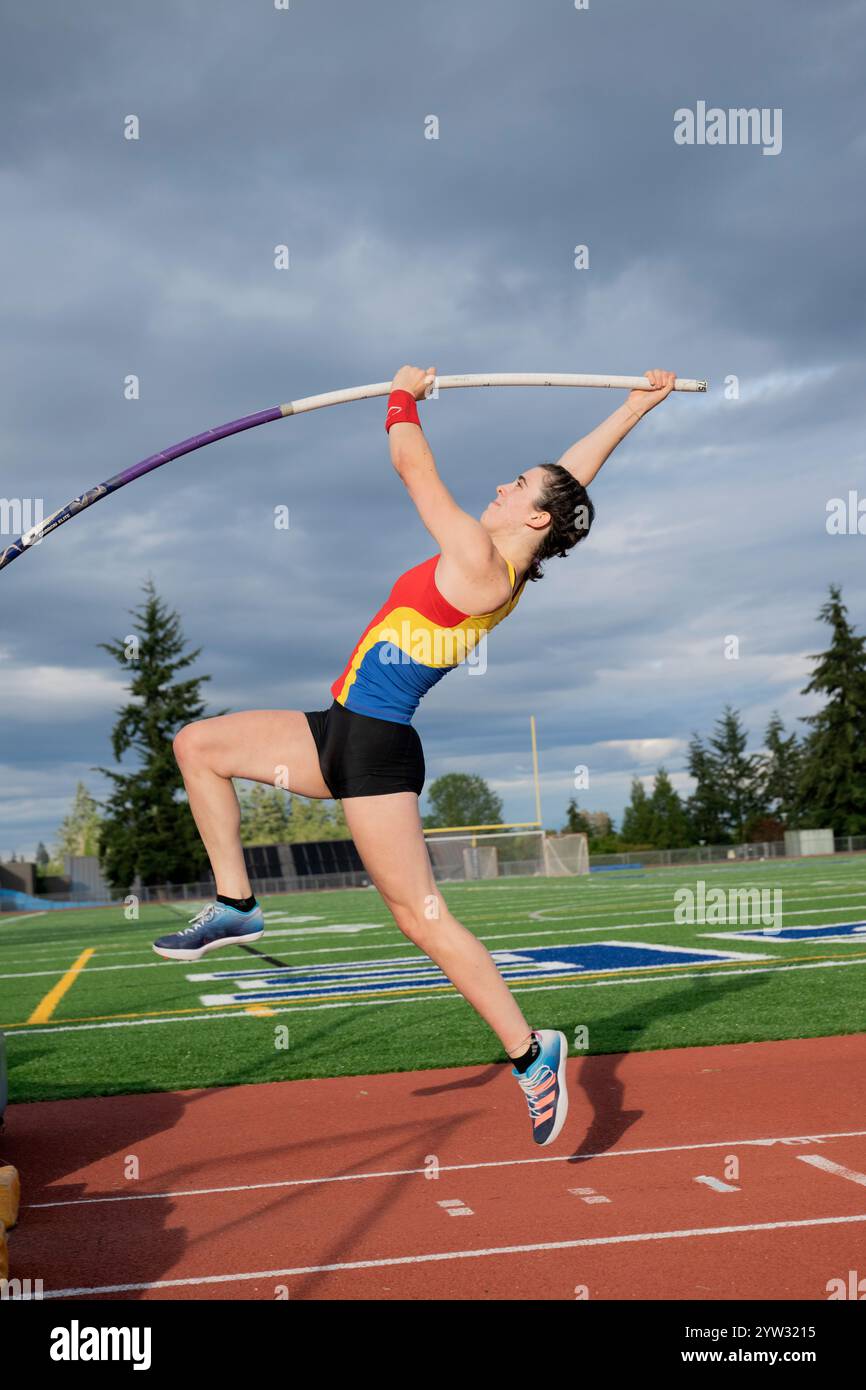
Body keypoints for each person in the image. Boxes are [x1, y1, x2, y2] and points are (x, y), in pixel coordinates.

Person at [153, 364, 677, 1144]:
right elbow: (573, 479)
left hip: (376, 752)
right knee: (197, 744)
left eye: (516, 486)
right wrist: (634, 406)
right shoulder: (516, 544)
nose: (502, 488)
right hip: (334, 728)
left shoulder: (479, 560)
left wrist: (404, 394)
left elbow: (410, 463)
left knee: (421, 917)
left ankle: (531, 1054)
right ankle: (237, 903)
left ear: (536, 521)